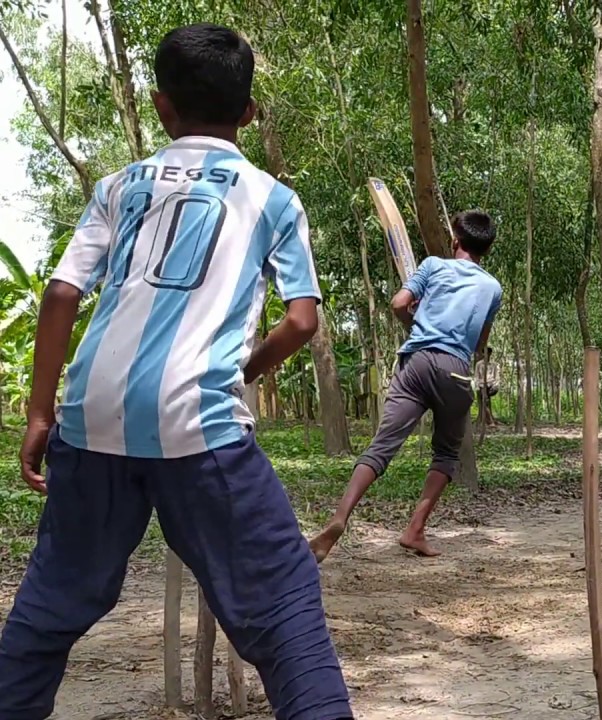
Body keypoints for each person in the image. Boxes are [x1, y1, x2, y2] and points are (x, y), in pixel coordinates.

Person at [0, 24, 352, 720]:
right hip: (199, 423)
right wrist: (246, 369)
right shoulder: (272, 199)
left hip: (91, 416)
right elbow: (303, 320)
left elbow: (63, 294)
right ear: (250, 113)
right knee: (283, 606)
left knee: (53, 598)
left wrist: (42, 414)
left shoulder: (119, 186)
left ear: (161, 107)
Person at [310, 210, 502, 562]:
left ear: (455, 241)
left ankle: (339, 519)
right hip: (455, 369)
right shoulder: (492, 288)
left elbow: (398, 303)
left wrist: (415, 322)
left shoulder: (432, 266)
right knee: (446, 454)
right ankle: (414, 529)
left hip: (415, 363)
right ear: (485, 250)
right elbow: (478, 343)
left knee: (381, 448)